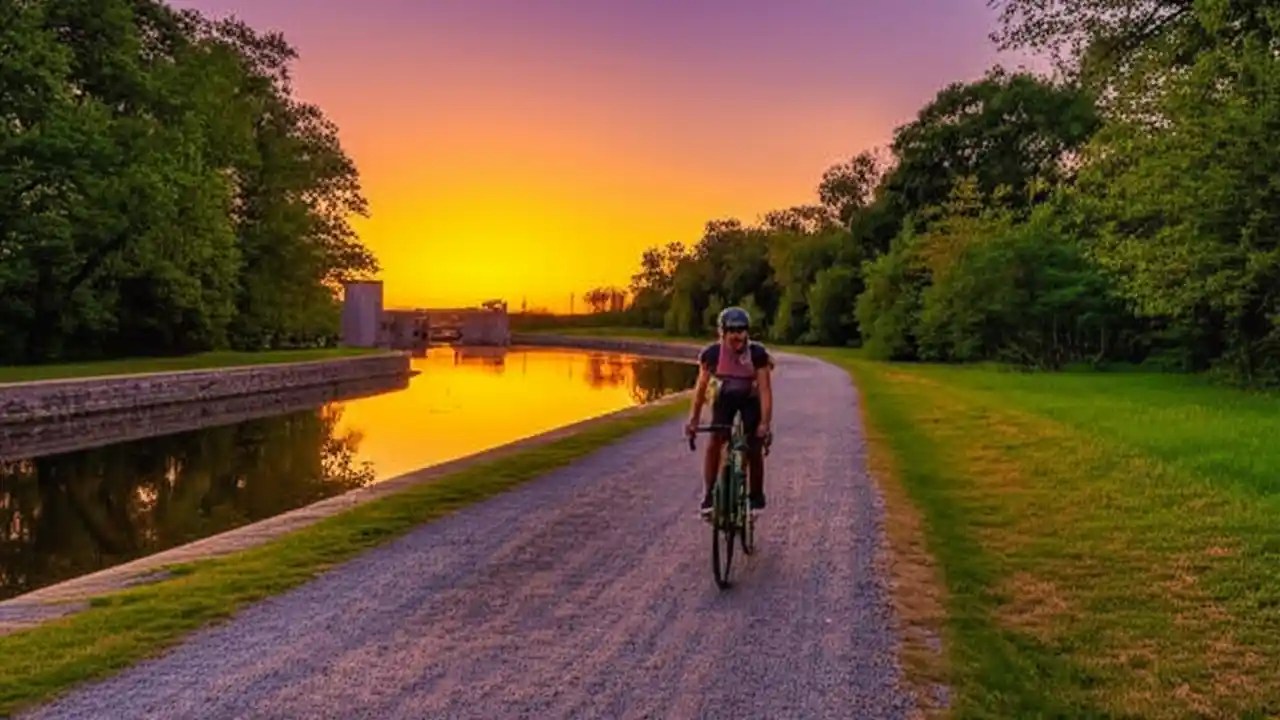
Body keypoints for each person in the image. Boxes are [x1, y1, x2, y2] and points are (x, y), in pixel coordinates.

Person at [684, 306, 773, 517]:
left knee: (753, 446)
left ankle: (756, 497)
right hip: (725, 397)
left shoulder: (757, 354)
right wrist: (694, 420)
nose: (738, 335)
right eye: (732, 330)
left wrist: (765, 424)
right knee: (715, 441)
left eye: (742, 330)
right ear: (722, 333)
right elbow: (701, 390)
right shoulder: (712, 355)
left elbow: (765, 391)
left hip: (750, 398)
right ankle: (710, 496)